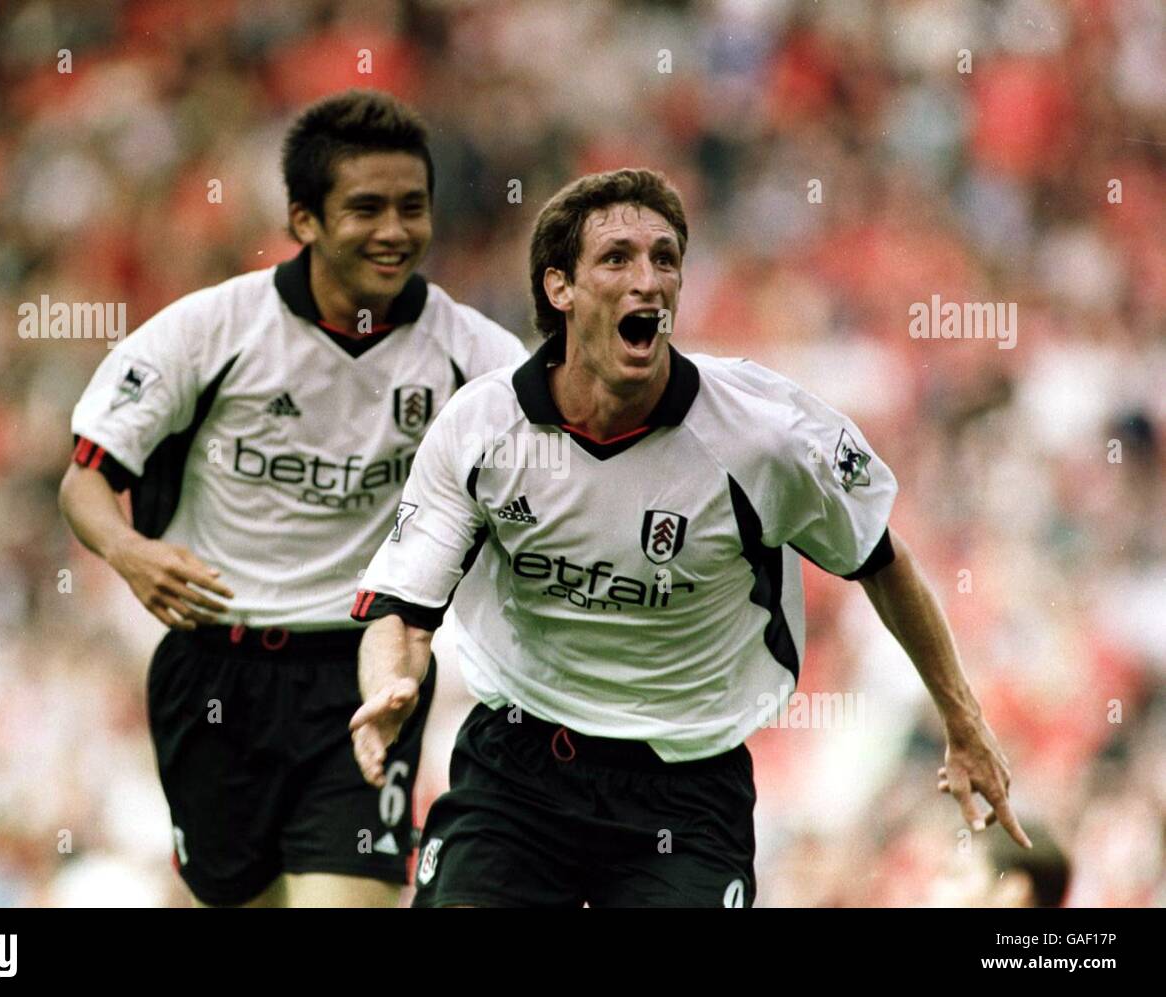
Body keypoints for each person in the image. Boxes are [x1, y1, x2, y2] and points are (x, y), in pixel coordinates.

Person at [347, 167, 1030, 908]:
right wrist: (389, 685)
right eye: (617, 258)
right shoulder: (482, 427)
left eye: (665, 258)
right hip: (517, 773)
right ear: (559, 288)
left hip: (686, 786)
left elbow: (882, 562)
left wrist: (964, 720)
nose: (649, 280)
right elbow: (404, 610)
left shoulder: (766, 435)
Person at [59, 89, 527, 908]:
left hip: (364, 673)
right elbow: (85, 477)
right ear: (304, 219)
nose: (394, 230)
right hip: (214, 673)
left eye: (412, 207)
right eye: (366, 208)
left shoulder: (479, 358)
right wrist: (130, 554)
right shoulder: (207, 331)